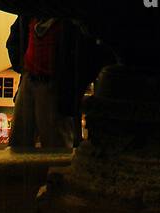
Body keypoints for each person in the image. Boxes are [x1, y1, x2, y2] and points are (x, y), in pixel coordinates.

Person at [7, 13, 106, 150]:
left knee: (45, 142)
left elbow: (15, 39)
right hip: (37, 80)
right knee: (45, 143)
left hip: (51, 85)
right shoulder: (69, 20)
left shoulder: (34, 13)